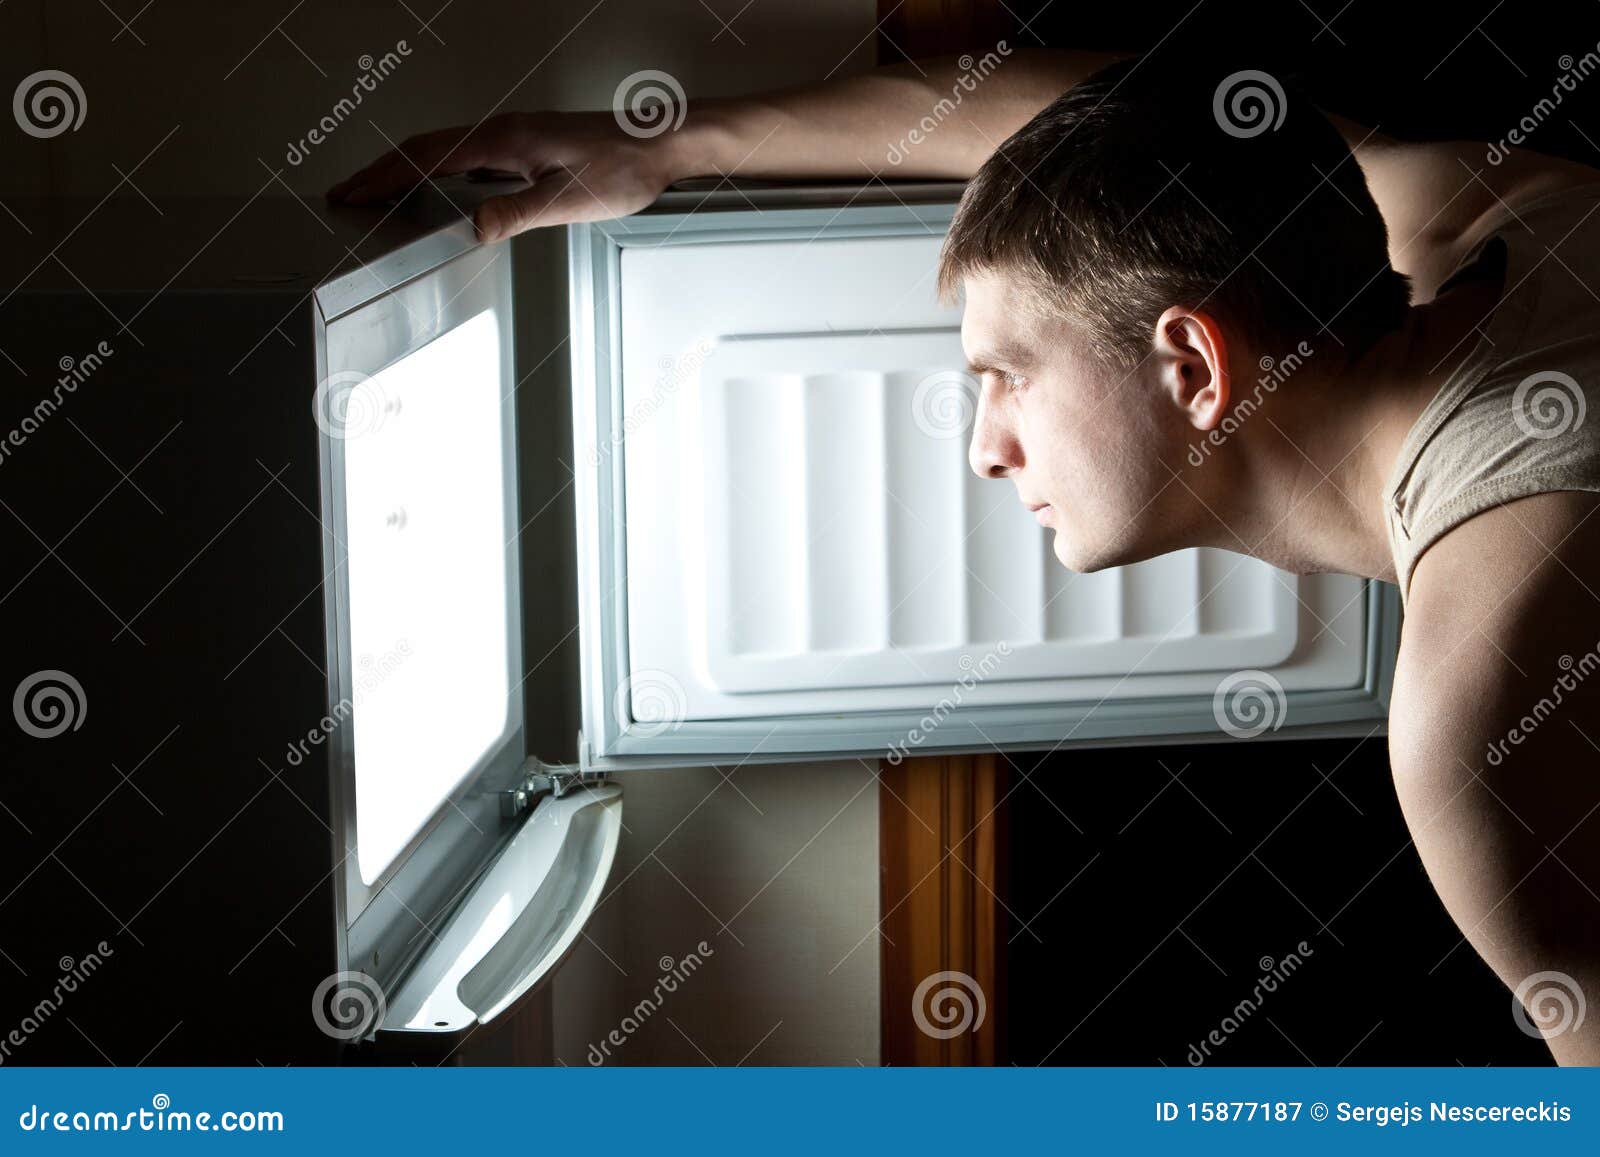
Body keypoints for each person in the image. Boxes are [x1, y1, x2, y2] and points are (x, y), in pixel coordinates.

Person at [331, 49, 1600, 1065]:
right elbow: (1144, 128)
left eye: (1003, 377)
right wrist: (672, 141)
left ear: (1197, 367)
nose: (985, 448)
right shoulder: (1483, 223)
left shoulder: (1483, 714)